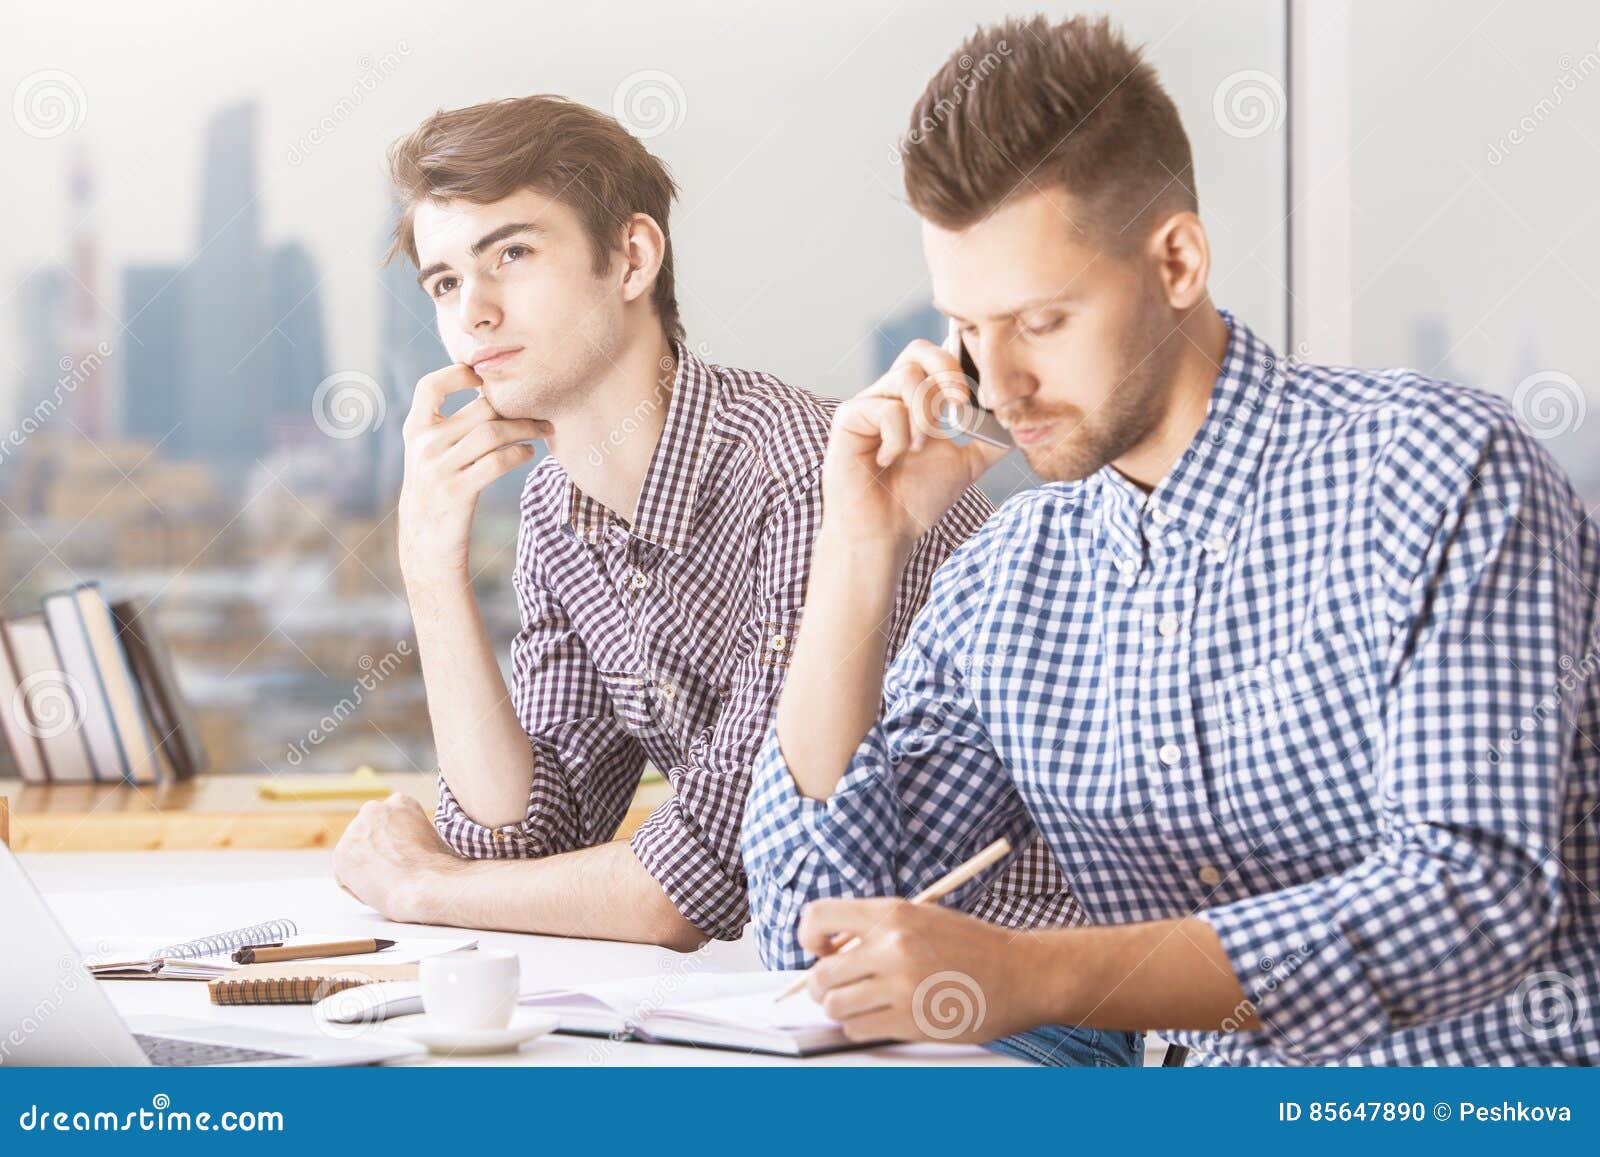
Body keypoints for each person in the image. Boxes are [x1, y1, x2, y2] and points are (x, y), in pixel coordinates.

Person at [741, 15, 1599, 1066]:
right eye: (966, 329)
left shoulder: (1435, 471)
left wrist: (1041, 973)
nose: (997, 387)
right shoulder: (1009, 578)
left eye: (1041, 322)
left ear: (1178, 261)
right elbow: (809, 922)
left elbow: (1472, 895)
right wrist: (857, 548)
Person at [330, 98, 1094, 1061]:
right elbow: (526, 842)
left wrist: (420, 885)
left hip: (1019, 1018)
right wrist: (429, 569)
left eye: (511, 254)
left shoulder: (801, 474)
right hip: (834, 1008)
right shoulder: (558, 513)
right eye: (445, 281)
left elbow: (687, 887)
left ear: (632, 259)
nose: (471, 312)